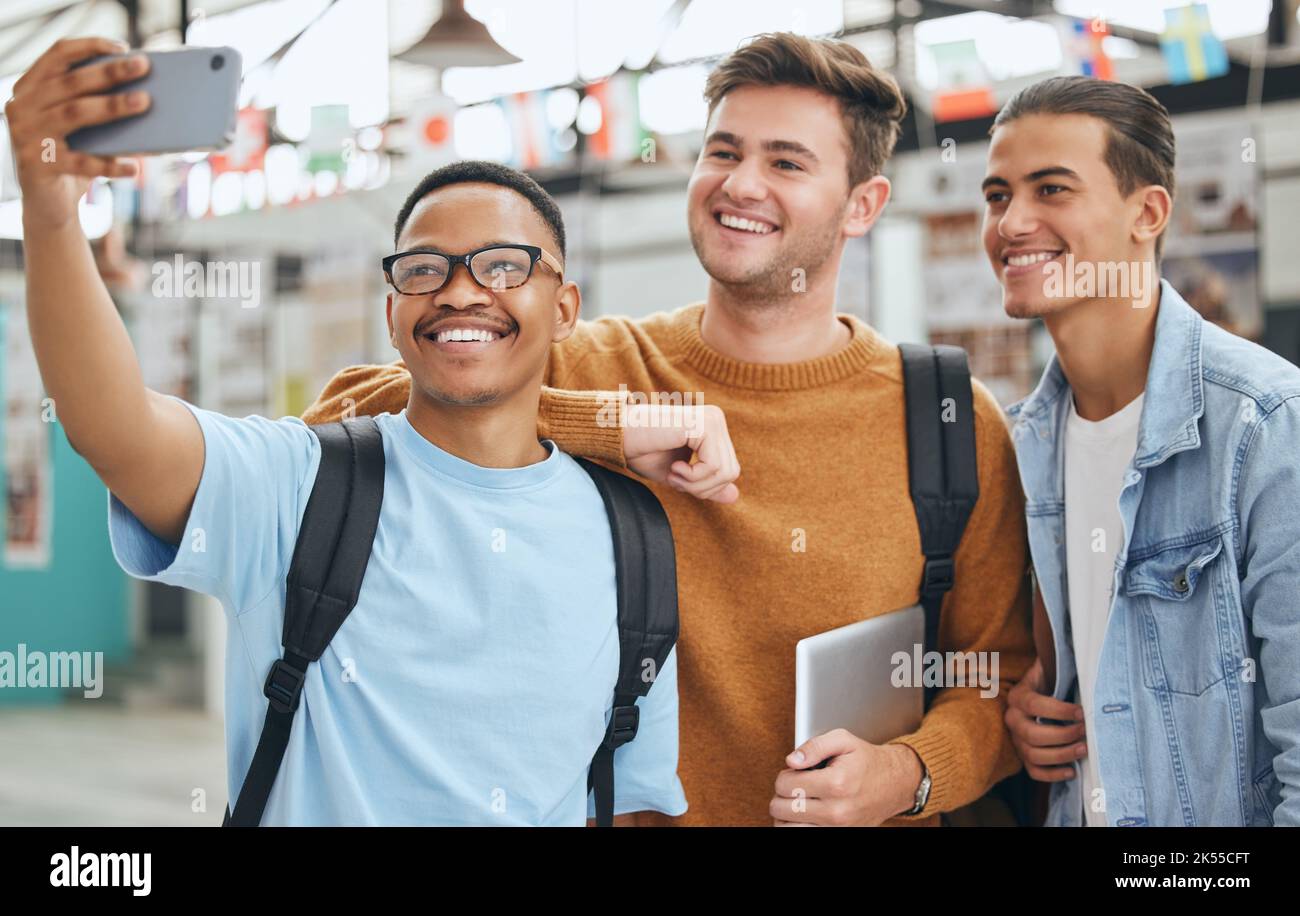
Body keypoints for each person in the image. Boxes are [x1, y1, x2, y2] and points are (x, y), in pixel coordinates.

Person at [305, 32, 1034, 826]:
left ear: (863, 204)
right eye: (723, 152)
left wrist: (908, 773)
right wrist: (607, 425)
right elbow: (337, 417)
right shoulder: (598, 366)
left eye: (787, 163)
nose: (740, 184)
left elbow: (996, 674)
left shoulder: (946, 417)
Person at [6, 37, 720, 825]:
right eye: (424, 269)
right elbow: (112, 426)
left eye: (504, 267)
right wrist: (50, 212)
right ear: (392, 313)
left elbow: (632, 803)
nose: (459, 292)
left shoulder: (635, 538)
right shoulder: (302, 485)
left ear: (563, 309)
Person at [986, 76, 1300, 826]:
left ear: (1148, 212)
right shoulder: (1019, 442)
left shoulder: (1263, 424)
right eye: (998, 195)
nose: (1012, 222)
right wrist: (1030, 716)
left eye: (1051, 189)